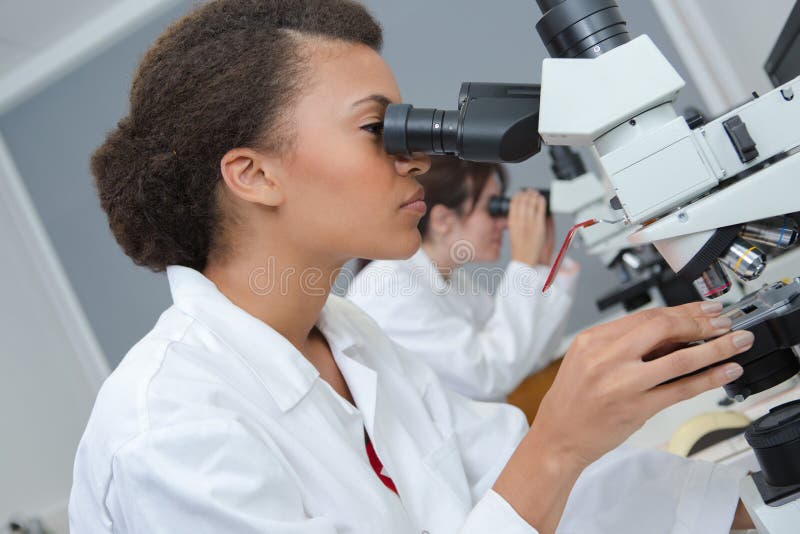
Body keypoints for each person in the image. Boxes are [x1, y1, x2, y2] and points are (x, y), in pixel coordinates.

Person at [68, 1, 756, 532]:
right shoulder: (171, 429)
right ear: (254, 174)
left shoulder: (353, 339)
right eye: (378, 128)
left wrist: (732, 509)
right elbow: (541, 462)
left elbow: (517, 476)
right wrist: (559, 443)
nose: (417, 158)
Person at [348, 157, 578, 401]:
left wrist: (540, 268)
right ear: (443, 221)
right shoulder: (389, 290)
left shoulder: (453, 281)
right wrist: (523, 267)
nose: (505, 223)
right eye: (493, 208)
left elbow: (528, 357)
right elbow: (490, 375)